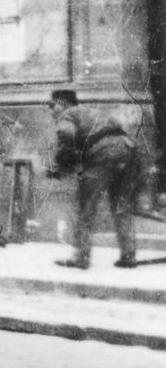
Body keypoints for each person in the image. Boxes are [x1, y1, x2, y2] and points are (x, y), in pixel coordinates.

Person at [46, 89, 142, 269]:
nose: (51, 111)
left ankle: (81, 258)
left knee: (85, 206)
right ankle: (128, 256)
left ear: (63, 103)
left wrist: (59, 166)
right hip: (127, 149)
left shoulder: (68, 114)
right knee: (121, 206)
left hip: (103, 153)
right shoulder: (91, 112)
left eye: (52, 105)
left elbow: (67, 137)